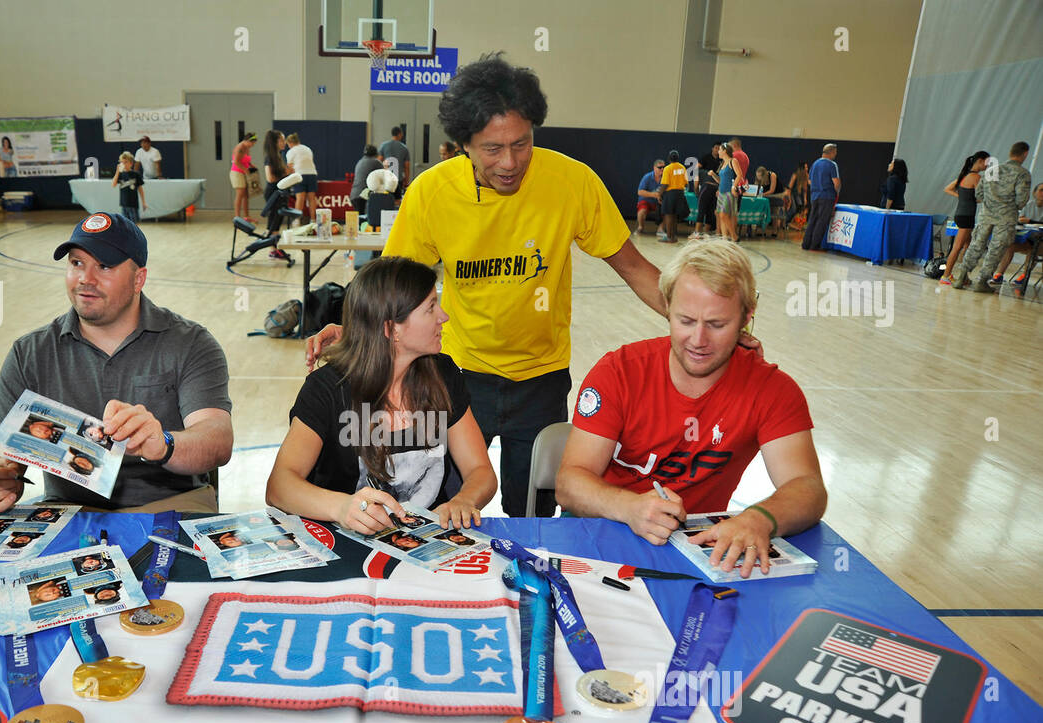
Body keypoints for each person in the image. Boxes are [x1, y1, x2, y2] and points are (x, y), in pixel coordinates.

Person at [304, 56, 757, 518]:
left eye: (521, 144)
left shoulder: (571, 182)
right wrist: (354, 329)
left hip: (541, 379)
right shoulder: (432, 192)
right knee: (450, 510)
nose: (509, 162)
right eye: (492, 149)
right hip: (455, 375)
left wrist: (706, 326)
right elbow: (390, 284)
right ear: (463, 145)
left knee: (533, 515)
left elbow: (637, 269)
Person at [556, 239, 826, 579]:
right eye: (685, 320)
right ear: (666, 306)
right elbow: (569, 482)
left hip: (694, 552)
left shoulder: (773, 390)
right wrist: (629, 508)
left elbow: (808, 488)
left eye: (716, 325)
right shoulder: (619, 372)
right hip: (599, 533)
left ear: (746, 317)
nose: (698, 340)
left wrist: (759, 518)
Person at [0, 213, 233, 514]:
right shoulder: (29, 353)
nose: (86, 278)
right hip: (69, 510)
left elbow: (217, 439)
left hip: (169, 506)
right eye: (76, 263)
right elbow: (2, 458)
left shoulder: (191, 343)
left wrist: (163, 443)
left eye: (104, 266)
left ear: (139, 278)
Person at [267, 256, 497, 533]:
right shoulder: (328, 388)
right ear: (391, 329)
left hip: (429, 543)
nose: (443, 316)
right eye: (430, 308)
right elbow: (280, 486)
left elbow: (480, 471)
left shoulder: (443, 374)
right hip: (347, 544)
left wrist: (463, 500)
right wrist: (341, 507)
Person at [950, 141, 1032, 292]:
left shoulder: (992, 170)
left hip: (986, 215)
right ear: (1025, 154)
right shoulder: (1022, 174)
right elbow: (1021, 201)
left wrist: (991, 202)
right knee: (996, 248)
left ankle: (961, 276)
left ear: (1010, 152)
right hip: (1005, 219)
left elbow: (979, 194)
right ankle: (981, 281)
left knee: (976, 244)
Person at [940, 152, 988, 284]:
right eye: (986, 162)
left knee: (967, 246)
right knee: (957, 247)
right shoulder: (976, 177)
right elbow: (982, 195)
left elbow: (949, 189)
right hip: (966, 216)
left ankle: (963, 276)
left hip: (962, 214)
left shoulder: (964, 175)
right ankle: (945, 276)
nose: (987, 165)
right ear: (979, 161)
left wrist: (965, 198)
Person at [988, 182, 1043, 288]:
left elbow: (1030, 221)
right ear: (1034, 192)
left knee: (1034, 248)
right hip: (1028, 237)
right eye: (1041, 190)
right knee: (1010, 246)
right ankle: (999, 274)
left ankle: (1024, 276)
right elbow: (1020, 219)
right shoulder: (1028, 205)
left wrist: (1030, 221)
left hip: (1040, 242)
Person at [802, 143, 840, 251]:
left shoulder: (815, 164)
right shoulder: (832, 165)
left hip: (815, 196)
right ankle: (815, 245)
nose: (835, 155)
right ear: (831, 152)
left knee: (812, 219)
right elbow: (836, 182)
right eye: (835, 152)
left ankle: (805, 244)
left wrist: (817, 185)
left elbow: (809, 181)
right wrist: (837, 192)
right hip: (827, 196)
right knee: (822, 221)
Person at [261, 129, 290, 260]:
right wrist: (286, 173)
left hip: (280, 193)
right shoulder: (270, 158)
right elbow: (270, 178)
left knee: (277, 221)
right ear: (275, 142)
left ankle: (274, 248)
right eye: (281, 140)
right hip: (273, 193)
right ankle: (273, 249)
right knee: (274, 220)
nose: (284, 142)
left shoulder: (279, 156)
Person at [285, 132, 318, 224]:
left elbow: (290, 167)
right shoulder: (307, 149)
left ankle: (297, 220)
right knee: (312, 198)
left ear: (290, 143)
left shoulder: (291, 151)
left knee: (300, 198)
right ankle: (313, 220)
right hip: (312, 174)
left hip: (300, 175)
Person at [692, 142, 722, 239]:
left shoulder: (699, 172)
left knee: (702, 210)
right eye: (716, 148)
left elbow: (696, 184)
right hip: (716, 187)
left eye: (719, 148)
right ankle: (706, 233)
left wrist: (696, 191)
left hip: (707, 188)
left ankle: (697, 233)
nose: (717, 150)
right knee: (710, 210)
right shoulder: (705, 160)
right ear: (712, 148)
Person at [658, 150, 688, 243]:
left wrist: (659, 194)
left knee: (668, 215)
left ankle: (669, 237)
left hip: (670, 193)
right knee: (675, 216)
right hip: (680, 193)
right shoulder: (682, 168)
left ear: (669, 158)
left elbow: (665, 184)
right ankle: (674, 237)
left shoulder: (668, 168)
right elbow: (686, 183)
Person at [229, 131, 257, 221]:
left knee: (246, 196)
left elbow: (245, 160)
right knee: (240, 195)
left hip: (244, 172)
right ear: (248, 140)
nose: (252, 145)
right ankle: (237, 217)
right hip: (237, 173)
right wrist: (246, 170)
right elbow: (236, 162)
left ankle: (246, 216)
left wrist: (251, 165)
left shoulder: (246, 147)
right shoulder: (240, 147)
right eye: (252, 143)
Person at [111, 151, 146, 223]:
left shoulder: (136, 174)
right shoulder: (120, 174)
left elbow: (140, 188)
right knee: (125, 224)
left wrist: (143, 202)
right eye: (122, 162)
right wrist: (117, 171)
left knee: (134, 224)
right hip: (124, 204)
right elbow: (113, 184)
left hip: (133, 204)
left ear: (131, 163)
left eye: (125, 162)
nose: (123, 164)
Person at [379, 126, 412, 196]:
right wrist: (406, 181)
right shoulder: (404, 148)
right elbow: (407, 167)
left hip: (386, 179)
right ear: (400, 134)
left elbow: (378, 162)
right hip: (398, 180)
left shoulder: (384, 146)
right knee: (397, 201)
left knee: (386, 200)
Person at [351, 144, 383, 214]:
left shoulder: (360, 161)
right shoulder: (376, 162)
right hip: (363, 196)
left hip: (354, 195)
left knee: (359, 221)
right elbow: (384, 177)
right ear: (375, 154)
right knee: (366, 221)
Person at [715, 143, 738, 241]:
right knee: (721, 215)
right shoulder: (722, 163)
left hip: (729, 192)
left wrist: (733, 187)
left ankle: (734, 236)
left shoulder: (733, 161)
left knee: (723, 215)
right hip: (721, 192)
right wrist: (713, 175)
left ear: (725, 151)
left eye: (720, 150)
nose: (718, 152)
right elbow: (721, 180)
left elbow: (739, 175)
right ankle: (724, 238)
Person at [636, 159, 664, 234]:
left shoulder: (665, 178)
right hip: (647, 201)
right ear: (654, 168)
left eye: (663, 167)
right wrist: (653, 195)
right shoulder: (647, 177)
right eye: (660, 167)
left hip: (659, 202)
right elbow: (640, 192)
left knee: (668, 209)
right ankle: (640, 227)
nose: (662, 169)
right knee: (642, 211)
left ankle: (661, 229)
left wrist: (660, 197)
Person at [786, 160, 811, 229]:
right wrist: (789, 199)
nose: (807, 169)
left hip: (798, 194)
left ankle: (794, 223)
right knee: (793, 208)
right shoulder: (795, 175)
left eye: (807, 167)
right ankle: (786, 222)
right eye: (805, 167)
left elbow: (805, 189)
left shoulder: (806, 176)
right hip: (791, 193)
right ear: (801, 168)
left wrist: (805, 199)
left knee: (800, 207)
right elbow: (789, 188)